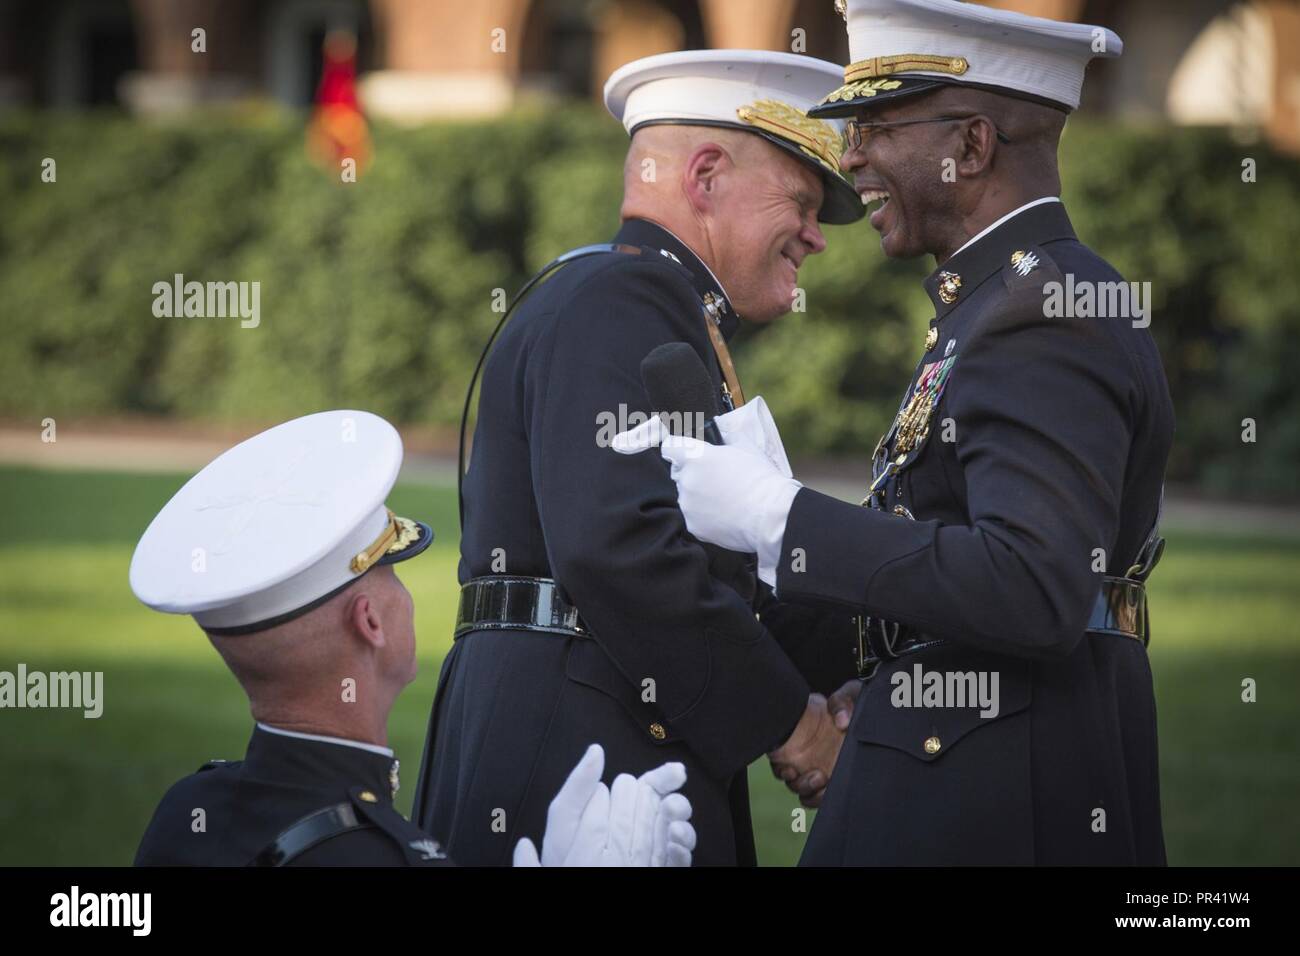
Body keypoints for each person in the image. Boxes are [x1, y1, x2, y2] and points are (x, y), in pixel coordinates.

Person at [616, 0, 1172, 865]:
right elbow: (954, 576)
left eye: (877, 128)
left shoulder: (1041, 310)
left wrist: (782, 518)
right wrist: (857, 660)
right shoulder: (997, 302)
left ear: (971, 147)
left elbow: (1034, 587)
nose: (851, 158)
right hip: (977, 762)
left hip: (1000, 793)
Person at [411, 50, 864, 866]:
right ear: (705, 176)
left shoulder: (635, 301)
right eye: (800, 202)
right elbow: (617, 547)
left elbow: (725, 577)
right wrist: (791, 725)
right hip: (586, 760)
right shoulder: (628, 298)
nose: (816, 237)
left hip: (571, 732)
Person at [129, 409, 695, 867]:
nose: (406, 594)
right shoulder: (380, 855)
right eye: (392, 569)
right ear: (370, 622)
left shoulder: (187, 810)